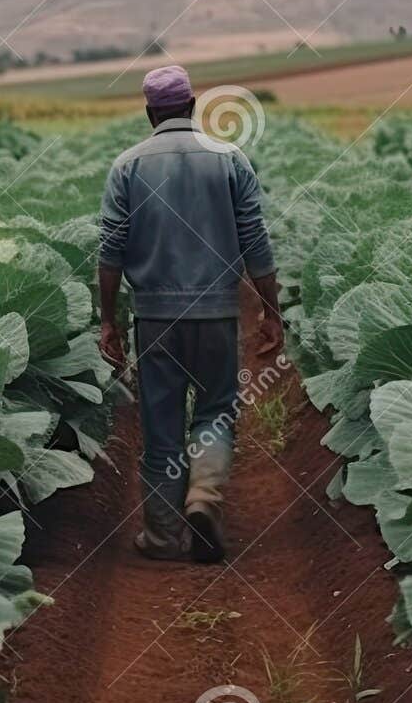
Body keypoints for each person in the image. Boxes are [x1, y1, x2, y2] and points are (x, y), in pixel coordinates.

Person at [97, 65, 282, 563]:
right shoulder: (230, 159)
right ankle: (204, 499)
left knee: (160, 424)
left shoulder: (127, 166)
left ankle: (160, 536)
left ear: (149, 112)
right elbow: (255, 242)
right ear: (194, 105)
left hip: (155, 318)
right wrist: (271, 311)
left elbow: (110, 251)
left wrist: (109, 320)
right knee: (216, 411)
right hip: (218, 313)